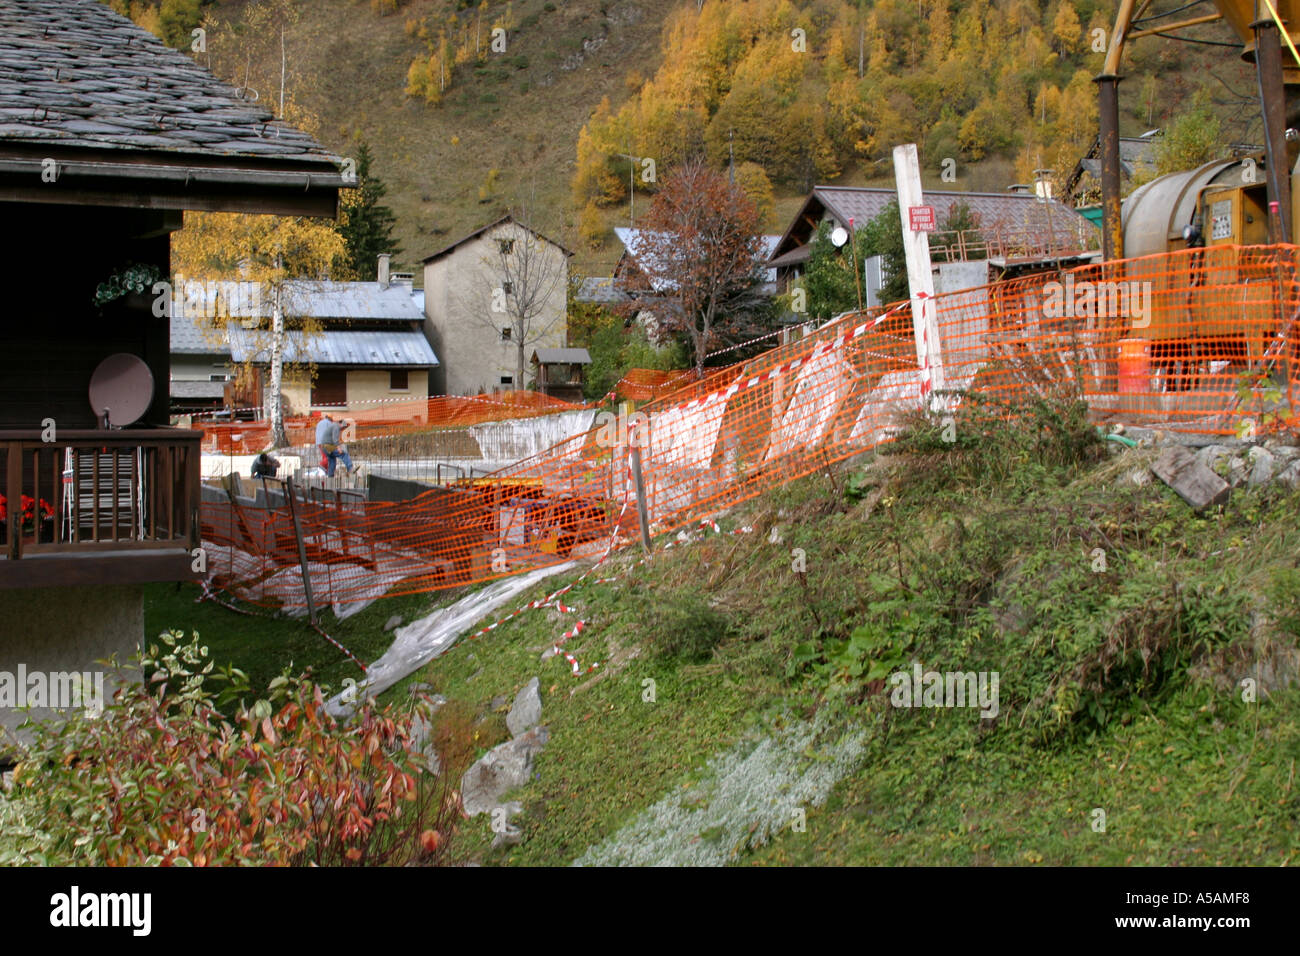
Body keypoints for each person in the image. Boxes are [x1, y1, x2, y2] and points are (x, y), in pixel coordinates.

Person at [315, 412, 353, 478]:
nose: (342, 429)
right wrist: (339, 448)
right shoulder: (336, 426)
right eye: (343, 427)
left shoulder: (321, 423)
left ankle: (330, 476)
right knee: (343, 454)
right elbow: (335, 439)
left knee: (332, 460)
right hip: (327, 445)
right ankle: (350, 468)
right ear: (341, 424)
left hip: (322, 445)